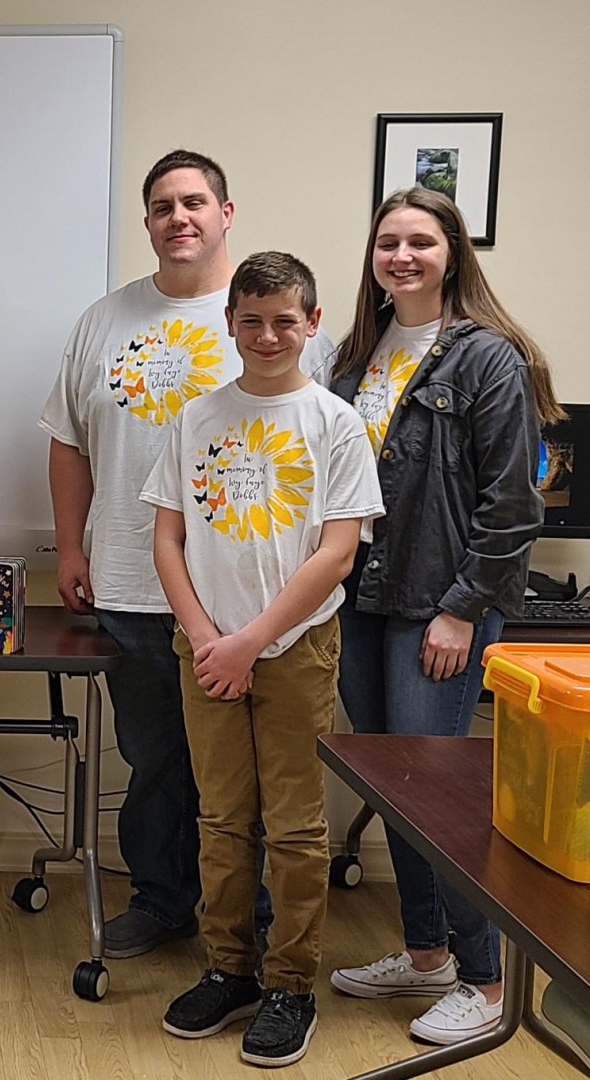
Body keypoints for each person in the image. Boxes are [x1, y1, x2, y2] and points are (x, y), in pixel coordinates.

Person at [39, 150, 333, 957]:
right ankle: (162, 900)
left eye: (195, 201)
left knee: (254, 774)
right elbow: (68, 441)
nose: (180, 217)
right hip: (132, 582)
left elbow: (321, 453)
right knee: (155, 759)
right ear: (147, 223)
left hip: (250, 596)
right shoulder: (103, 321)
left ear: (225, 213)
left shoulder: (271, 315)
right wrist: (70, 547)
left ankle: (251, 927)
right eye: (164, 205)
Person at [327, 187, 560, 1044]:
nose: (402, 256)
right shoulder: (358, 354)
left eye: (420, 241)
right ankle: (426, 954)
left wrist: (462, 611)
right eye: (388, 241)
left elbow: (514, 505)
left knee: (438, 794)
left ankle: (486, 980)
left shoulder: (489, 357)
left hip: (440, 603)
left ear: (453, 252)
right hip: (359, 599)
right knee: (391, 787)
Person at [144, 252, 383, 1067]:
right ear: (230, 324)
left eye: (285, 320)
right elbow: (168, 539)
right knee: (220, 818)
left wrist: (251, 641)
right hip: (205, 646)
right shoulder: (196, 418)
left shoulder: (334, 423)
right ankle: (228, 968)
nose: (268, 335)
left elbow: (337, 553)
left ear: (312, 323)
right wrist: (207, 636)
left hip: (295, 648)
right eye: (252, 320)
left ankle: (290, 984)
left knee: (294, 826)